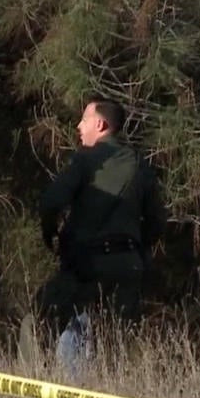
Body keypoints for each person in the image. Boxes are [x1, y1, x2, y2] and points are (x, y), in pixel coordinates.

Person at [36, 99, 167, 369]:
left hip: (86, 264)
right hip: (127, 264)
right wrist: (138, 251)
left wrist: (50, 234)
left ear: (100, 124)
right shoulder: (139, 164)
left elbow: (51, 201)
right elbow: (157, 220)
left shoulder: (86, 159)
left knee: (51, 320)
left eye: (84, 119)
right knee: (114, 344)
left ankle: (67, 392)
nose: (78, 126)